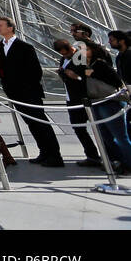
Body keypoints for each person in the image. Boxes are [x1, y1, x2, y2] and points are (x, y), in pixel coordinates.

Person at [0, 16, 63, 167]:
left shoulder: (24, 47)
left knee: (41, 123)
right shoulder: (1, 46)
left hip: (29, 93)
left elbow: (36, 71)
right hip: (14, 93)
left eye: (0, 25)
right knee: (31, 123)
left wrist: (25, 87)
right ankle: (44, 152)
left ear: (10, 28)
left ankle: (55, 155)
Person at [53, 39, 104, 168]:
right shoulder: (64, 59)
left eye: (66, 53)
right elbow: (67, 75)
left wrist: (75, 76)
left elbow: (88, 75)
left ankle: (104, 157)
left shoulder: (81, 57)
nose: (64, 56)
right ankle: (92, 156)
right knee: (79, 128)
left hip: (83, 98)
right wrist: (63, 73)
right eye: (62, 54)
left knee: (97, 128)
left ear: (70, 48)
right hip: (72, 98)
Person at [84, 42, 131, 172]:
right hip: (97, 101)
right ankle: (117, 162)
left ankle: (128, 163)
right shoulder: (88, 65)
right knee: (106, 136)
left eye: (86, 49)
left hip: (110, 102)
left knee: (120, 136)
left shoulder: (99, 64)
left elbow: (116, 81)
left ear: (93, 51)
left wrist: (92, 74)